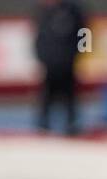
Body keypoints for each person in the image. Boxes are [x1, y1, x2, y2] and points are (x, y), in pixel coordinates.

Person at [34, 0, 87, 135]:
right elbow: (40, 35)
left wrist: (81, 53)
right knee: (47, 94)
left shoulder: (74, 10)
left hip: (68, 60)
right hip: (50, 62)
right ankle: (43, 125)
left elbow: (85, 31)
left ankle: (72, 125)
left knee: (70, 96)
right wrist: (41, 56)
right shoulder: (45, 11)